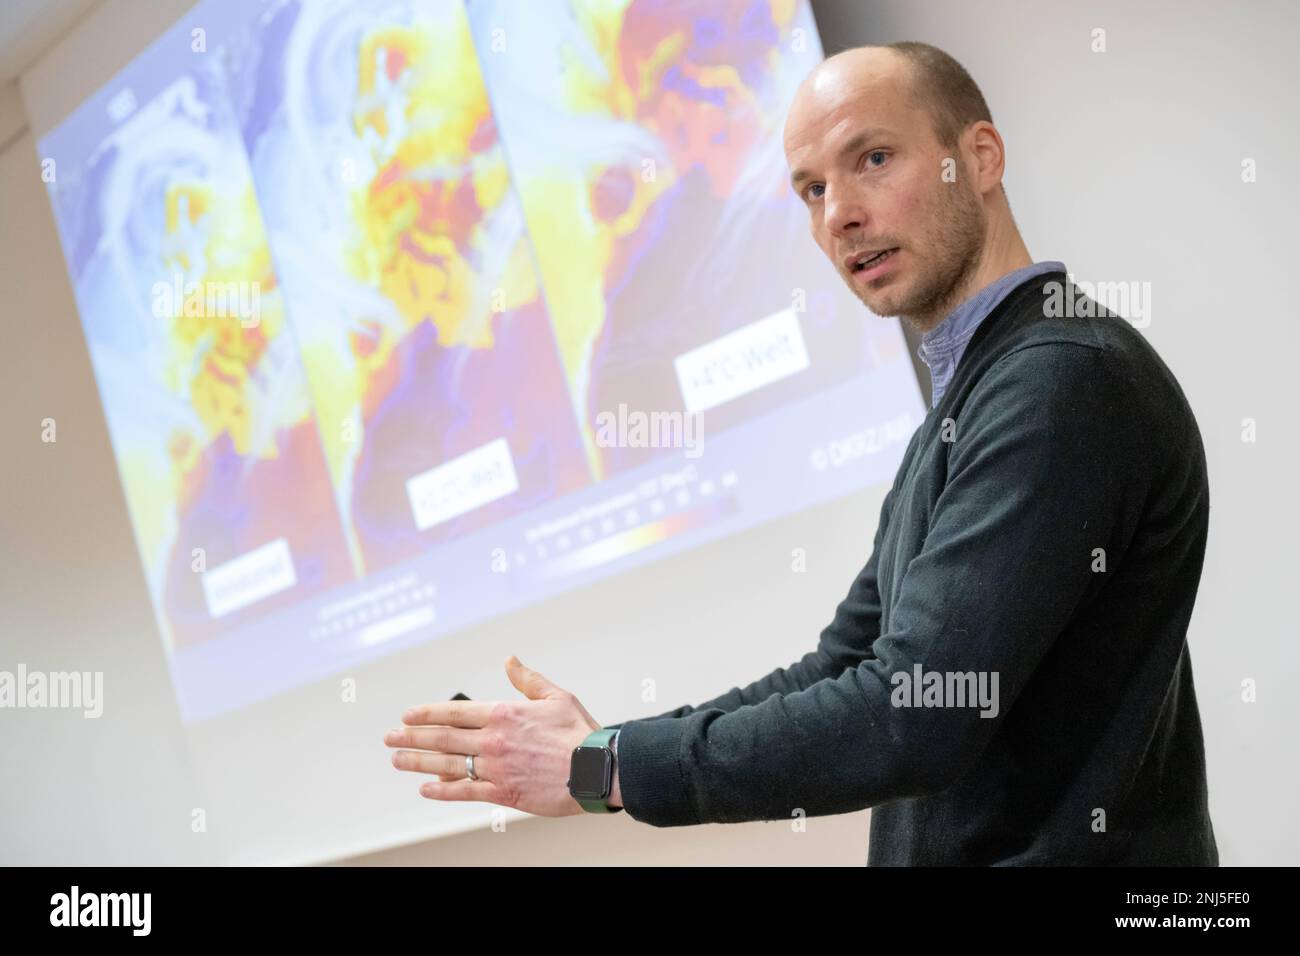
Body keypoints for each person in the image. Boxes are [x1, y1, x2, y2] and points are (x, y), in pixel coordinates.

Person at [384, 41, 1218, 866]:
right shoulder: (980, 394)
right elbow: (846, 665)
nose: (838, 215)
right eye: (811, 189)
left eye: (874, 159)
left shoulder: (1060, 383)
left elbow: (908, 716)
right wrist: (606, 750)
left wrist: (605, 769)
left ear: (982, 157)